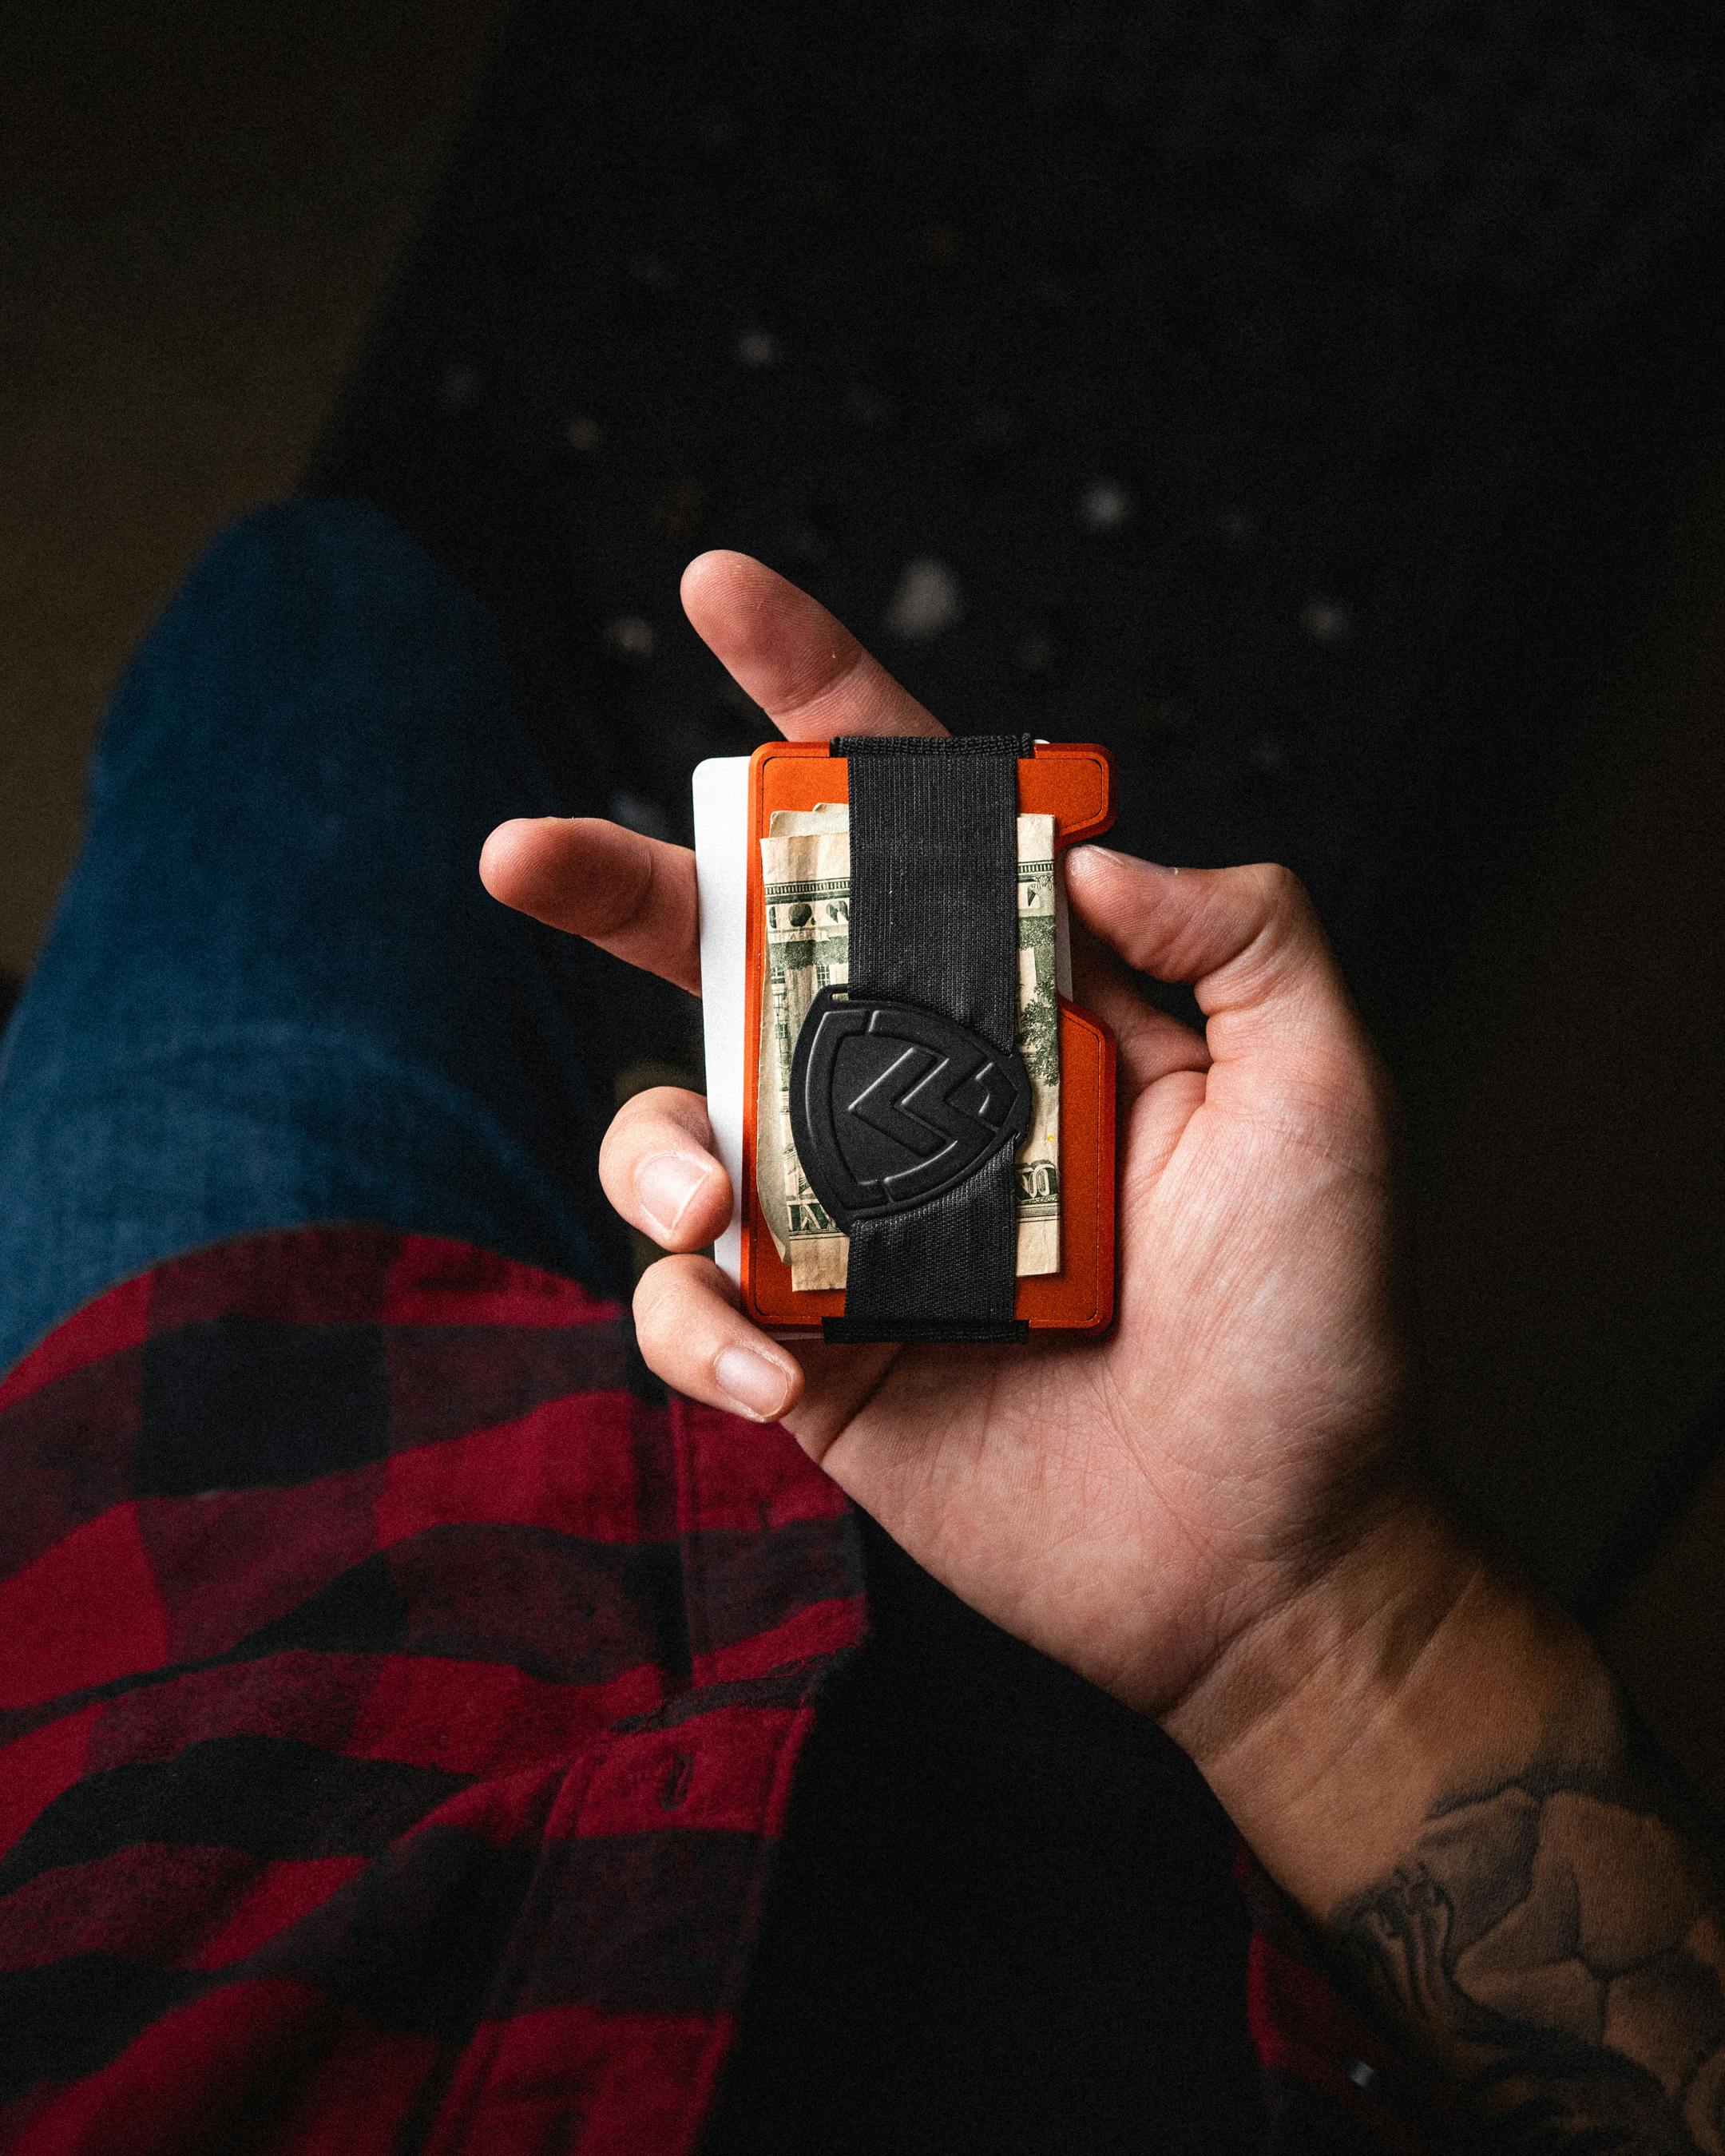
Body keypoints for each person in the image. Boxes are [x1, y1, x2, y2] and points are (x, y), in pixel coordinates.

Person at [0, 501, 1718, 2154]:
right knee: (342, 633)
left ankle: (471, 578)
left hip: (248, 1569)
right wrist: (1323, 1602)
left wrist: (1304, 1614)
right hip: (1073, 1713)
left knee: (319, 618)